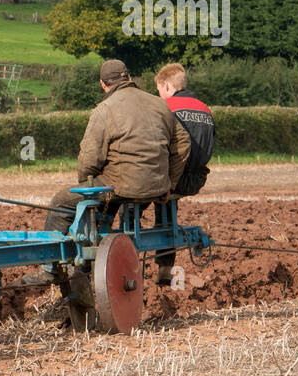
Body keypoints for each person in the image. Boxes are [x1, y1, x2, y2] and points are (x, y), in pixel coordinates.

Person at [24, 59, 189, 287]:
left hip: (119, 187)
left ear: (103, 84)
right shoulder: (159, 104)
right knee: (107, 197)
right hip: (157, 188)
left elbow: (89, 158)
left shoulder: (105, 110)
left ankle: (49, 270)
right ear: (129, 78)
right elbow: (183, 143)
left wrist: (87, 182)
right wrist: (169, 182)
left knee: (62, 201)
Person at [152, 62, 216, 286]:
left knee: (132, 198)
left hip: (172, 181)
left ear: (167, 86)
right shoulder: (205, 109)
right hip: (196, 180)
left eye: (159, 91)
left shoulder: (167, 107)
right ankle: (165, 270)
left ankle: (129, 251)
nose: (159, 96)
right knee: (167, 206)